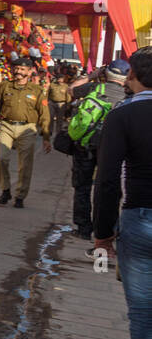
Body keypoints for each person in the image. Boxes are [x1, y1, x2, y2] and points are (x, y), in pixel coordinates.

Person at [95, 47, 152, 339]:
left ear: (133, 75)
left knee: (144, 308)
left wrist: (102, 232)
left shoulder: (125, 113)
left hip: (143, 219)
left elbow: (108, 179)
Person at [65, 60, 127, 240]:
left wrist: (91, 76)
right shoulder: (128, 95)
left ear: (106, 73)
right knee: (109, 190)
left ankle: (83, 229)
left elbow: (71, 90)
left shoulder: (94, 88)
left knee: (82, 187)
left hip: (86, 145)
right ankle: (107, 230)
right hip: (112, 150)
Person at [0, 56, 51, 208]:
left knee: (25, 165)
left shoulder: (37, 90)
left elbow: (44, 115)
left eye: (22, 69)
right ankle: (5, 189)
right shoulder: (5, 86)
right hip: (6, 126)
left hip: (27, 129)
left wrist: (46, 137)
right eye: (16, 69)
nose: (18, 72)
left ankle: (20, 196)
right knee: (2, 159)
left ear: (29, 71)